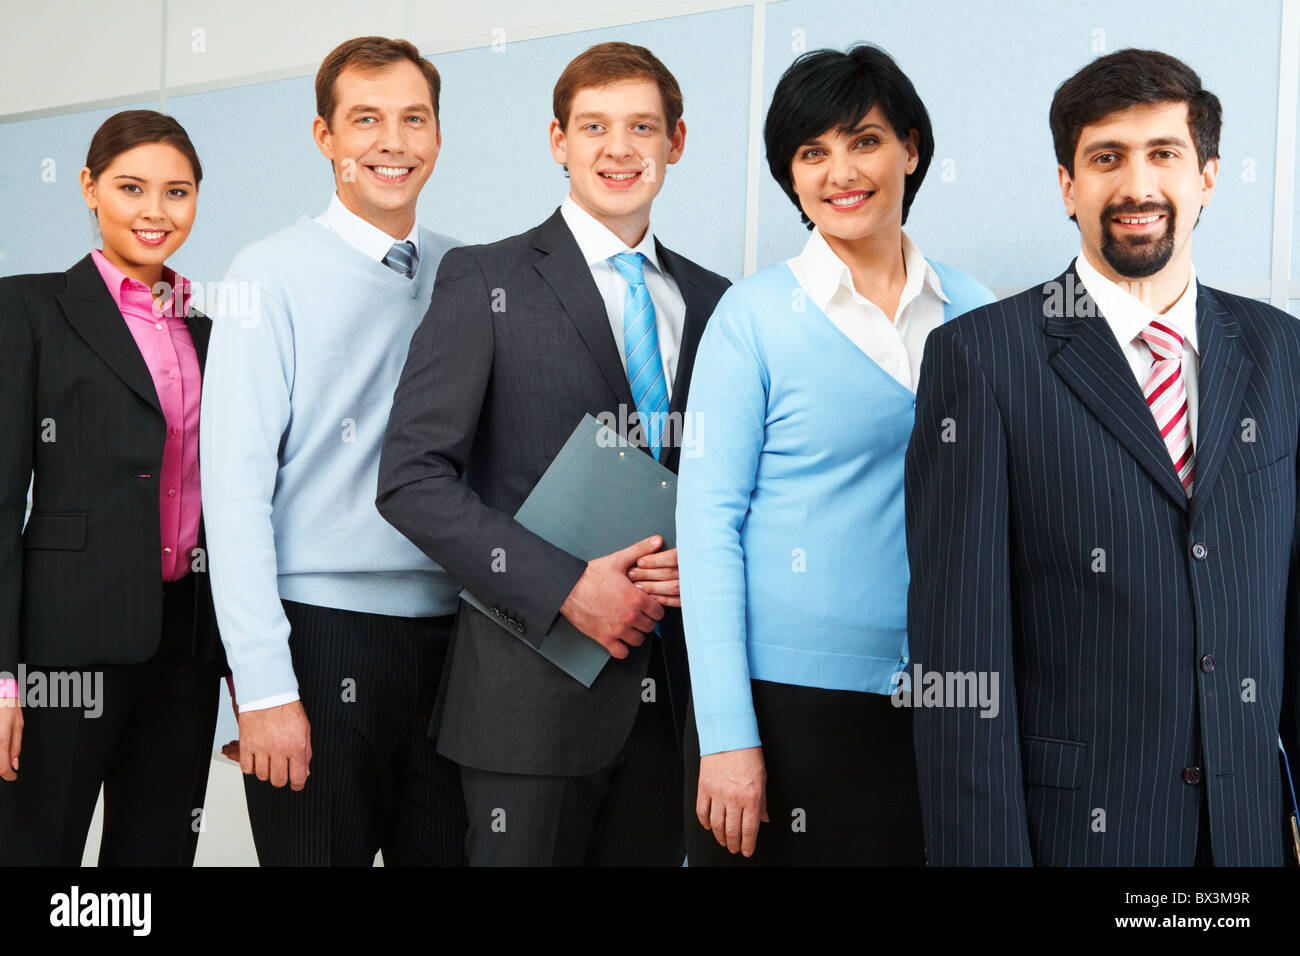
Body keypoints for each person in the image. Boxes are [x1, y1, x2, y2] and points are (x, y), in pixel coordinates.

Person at [906, 48, 1300, 866]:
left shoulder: (1281, 351)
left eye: (1164, 153)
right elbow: (960, 663)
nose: (1137, 185)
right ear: (1067, 185)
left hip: (1250, 837)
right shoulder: (981, 358)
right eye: (1106, 158)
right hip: (1080, 840)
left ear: (1209, 177)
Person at [377, 41, 730, 866]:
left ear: (675, 142)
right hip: (525, 703)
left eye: (643, 127)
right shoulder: (485, 279)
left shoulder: (719, 302)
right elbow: (411, 480)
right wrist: (566, 587)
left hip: (670, 704)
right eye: (595, 126)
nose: (620, 148)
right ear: (556, 141)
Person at [675, 44, 994, 865]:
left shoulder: (979, 314)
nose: (840, 171)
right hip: (788, 705)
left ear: (911, 150)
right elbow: (707, 528)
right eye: (811, 152)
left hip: (943, 696)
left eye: (864, 141)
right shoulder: (752, 319)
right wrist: (726, 738)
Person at [200, 36, 467, 866]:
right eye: (367, 120)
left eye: (413, 119)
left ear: (436, 133)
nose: (393, 142)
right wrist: (266, 687)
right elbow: (232, 493)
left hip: (457, 640)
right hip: (318, 637)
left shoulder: (470, 272)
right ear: (326, 138)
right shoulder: (265, 274)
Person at [0, 110, 226, 865]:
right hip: (61, 648)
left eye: (177, 192)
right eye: (131, 188)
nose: (155, 212)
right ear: (91, 189)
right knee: (38, 851)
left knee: (156, 859)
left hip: (185, 645)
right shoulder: (26, 308)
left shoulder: (207, 332)